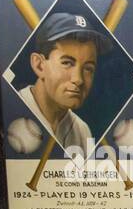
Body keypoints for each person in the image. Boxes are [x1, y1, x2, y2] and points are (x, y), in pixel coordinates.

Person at [19, 12, 108, 156]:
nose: (78, 79)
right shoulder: (16, 108)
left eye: (88, 68)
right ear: (39, 66)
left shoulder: (82, 130)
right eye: (67, 63)